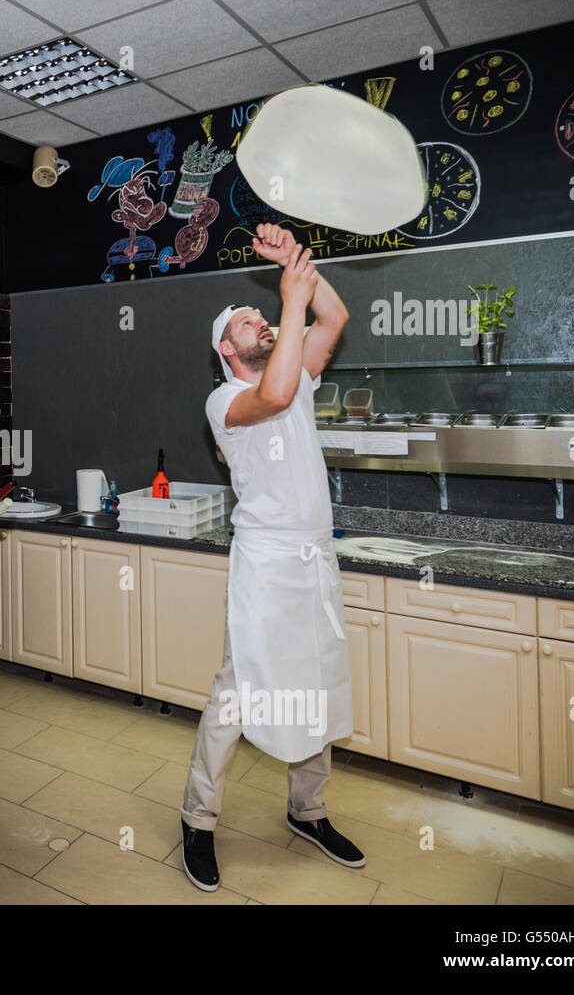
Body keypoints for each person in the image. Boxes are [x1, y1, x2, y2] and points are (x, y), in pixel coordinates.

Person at [181, 223, 365, 892]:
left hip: (314, 560)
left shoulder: (299, 375)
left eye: (264, 315)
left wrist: (294, 262)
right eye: (247, 322)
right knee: (239, 692)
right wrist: (287, 301)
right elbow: (277, 392)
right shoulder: (225, 399)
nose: (260, 321)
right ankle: (198, 819)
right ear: (228, 351)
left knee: (317, 682)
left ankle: (307, 812)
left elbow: (334, 315)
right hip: (265, 564)